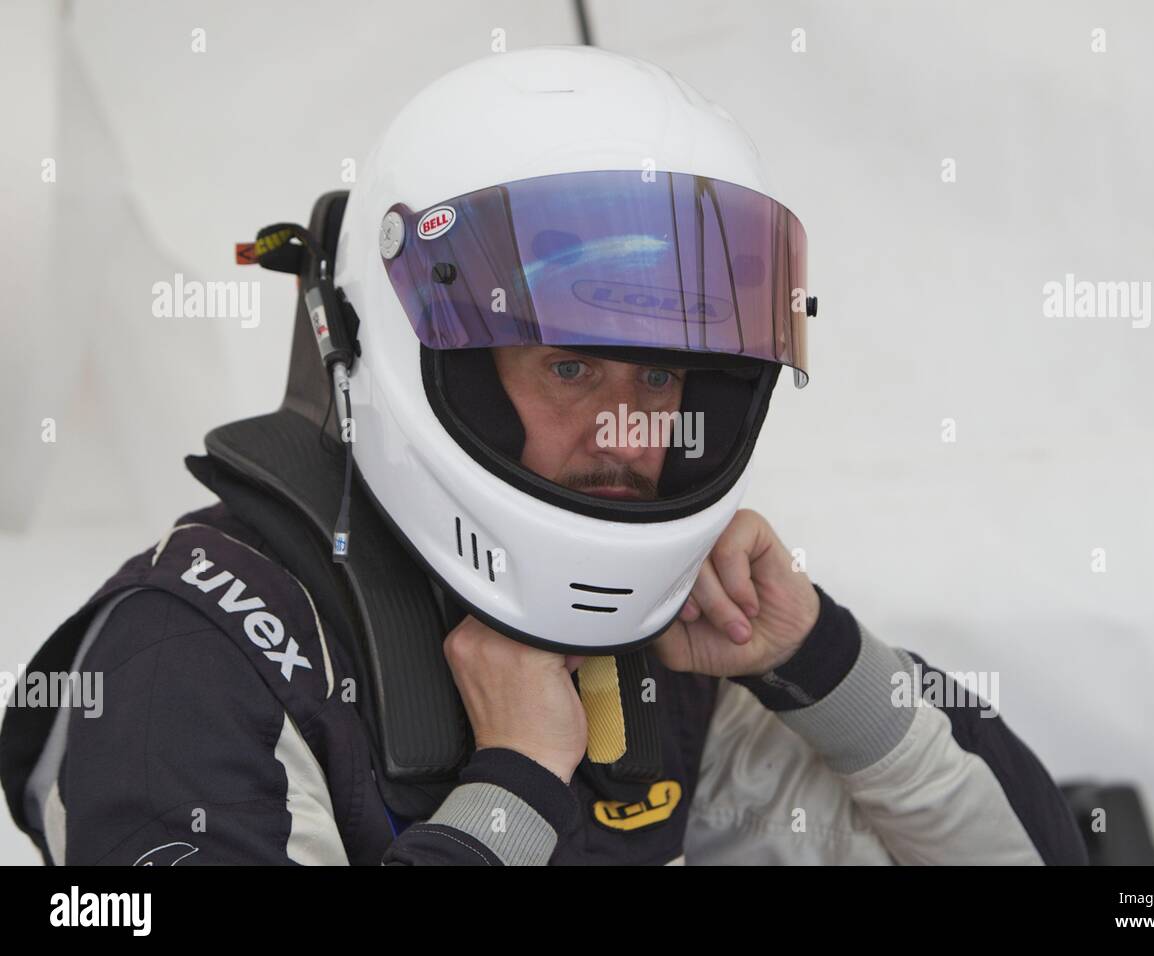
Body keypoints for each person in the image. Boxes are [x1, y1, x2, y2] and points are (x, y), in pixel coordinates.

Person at [0, 46, 1086, 866]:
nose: (625, 430)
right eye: (572, 370)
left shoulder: (683, 642)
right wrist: (513, 785)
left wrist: (826, 662)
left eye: (658, 379)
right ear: (419, 353)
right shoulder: (182, 656)